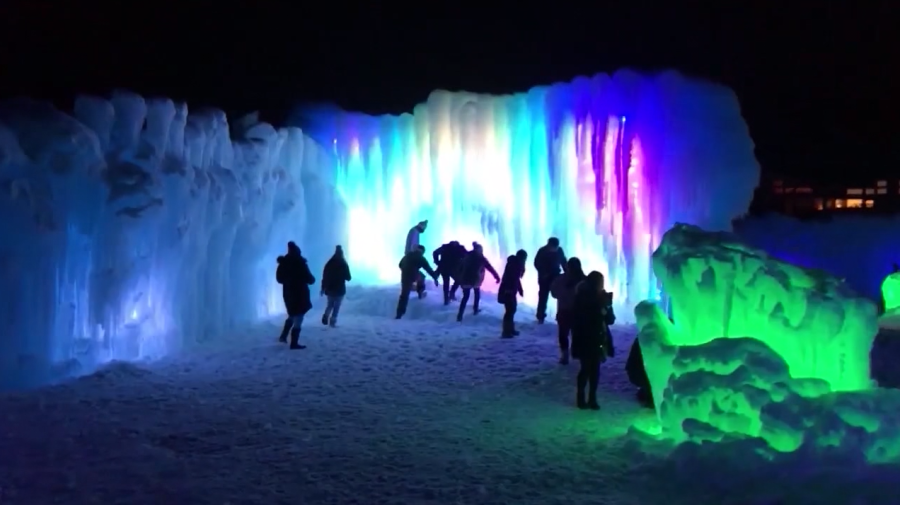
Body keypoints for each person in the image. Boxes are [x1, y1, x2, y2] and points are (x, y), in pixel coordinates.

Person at [570, 271, 615, 409]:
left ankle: (591, 398)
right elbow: (582, 319)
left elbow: (610, 320)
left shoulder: (599, 298)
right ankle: (582, 397)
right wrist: (601, 308)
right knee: (586, 368)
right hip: (586, 337)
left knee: (593, 369)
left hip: (596, 338)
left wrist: (607, 306)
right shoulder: (583, 298)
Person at [276, 241, 316, 350]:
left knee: (292, 314)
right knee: (298, 317)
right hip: (300, 293)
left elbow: (279, 279)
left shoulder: (283, 263)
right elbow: (310, 279)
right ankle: (294, 343)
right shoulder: (300, 263)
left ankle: (283, 336)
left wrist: (288, 281)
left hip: (288, 292)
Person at [550, 257, 586, 364]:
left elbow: (554, 293)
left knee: (563, 334)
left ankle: (565, 355)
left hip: (564, 310)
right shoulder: (584, 279)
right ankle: (578, 353)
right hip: (579, 311)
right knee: (577, 334)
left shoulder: (561, 279)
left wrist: (564, 293)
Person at [455, 242, 500, 322]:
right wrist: (496, 277)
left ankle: (460, 315)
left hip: (465, 279)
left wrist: (459, 277)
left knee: (465, 297)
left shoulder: (467, 256)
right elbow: (490, 267)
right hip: (475, 279)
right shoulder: (481, 258)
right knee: (476, 294)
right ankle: (475, 309)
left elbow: (460, 267)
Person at [396, 245, 439, 319]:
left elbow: (400, 265)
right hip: (413, 274)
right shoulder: (420, 257)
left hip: (404, 275)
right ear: (422, 251)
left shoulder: (408, 255)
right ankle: (420, 292)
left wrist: (405, 269)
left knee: (404, 295)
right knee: (422, 277)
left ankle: (399, 315)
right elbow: (428, 268)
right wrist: (435, 277)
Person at [533, 237, 567, 323]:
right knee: (543, 296)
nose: (554, 249)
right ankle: (540, 315)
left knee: (561, 295)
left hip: (556, 277)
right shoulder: (542, 251)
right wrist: (544, 272)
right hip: (544, 278)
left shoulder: (559, 251)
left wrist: (568, 273)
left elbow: (564, 262)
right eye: (553, 247)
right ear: (548, 245)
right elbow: (536, 263)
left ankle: (561, 315)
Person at [498, 249, 528, 338]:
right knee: (510, 310)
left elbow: (516, 279)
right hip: (508, 290)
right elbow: (510, 278)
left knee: (512, 309)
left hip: (511, 290)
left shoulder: (515, 264)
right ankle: (506, 332)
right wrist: (509, 289)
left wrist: (520, 290)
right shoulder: (514, 265)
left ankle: (510, 329)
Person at [320, 245, 351, 328]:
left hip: (330, 289)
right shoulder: (343, 264)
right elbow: (348, 277)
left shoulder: (329, 263)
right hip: (340, 289)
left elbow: (324, 276)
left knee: (330, 304)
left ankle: (326, 315)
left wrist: (323, 288)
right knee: (336, 306)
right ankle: (332, 321)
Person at [433, 240, 467, 305]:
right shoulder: (460, 248)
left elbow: (435, 252)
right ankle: (451, 294)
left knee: (446, 283)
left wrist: (437, 262)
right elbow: (466, 256)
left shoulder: (445, 247)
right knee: (458, 280)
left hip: (444, 267)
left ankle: (446, 299)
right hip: (454, 268)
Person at [404, 220, 429, 298]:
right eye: (424, 229)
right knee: (420, 277)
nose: (424, 231)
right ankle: (419, 292)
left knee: (415, 276)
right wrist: (418, 253)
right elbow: (413, 245)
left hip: (410, 258)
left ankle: (415, 289)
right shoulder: (415, 232)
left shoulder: (414, 231)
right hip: (411, 258)